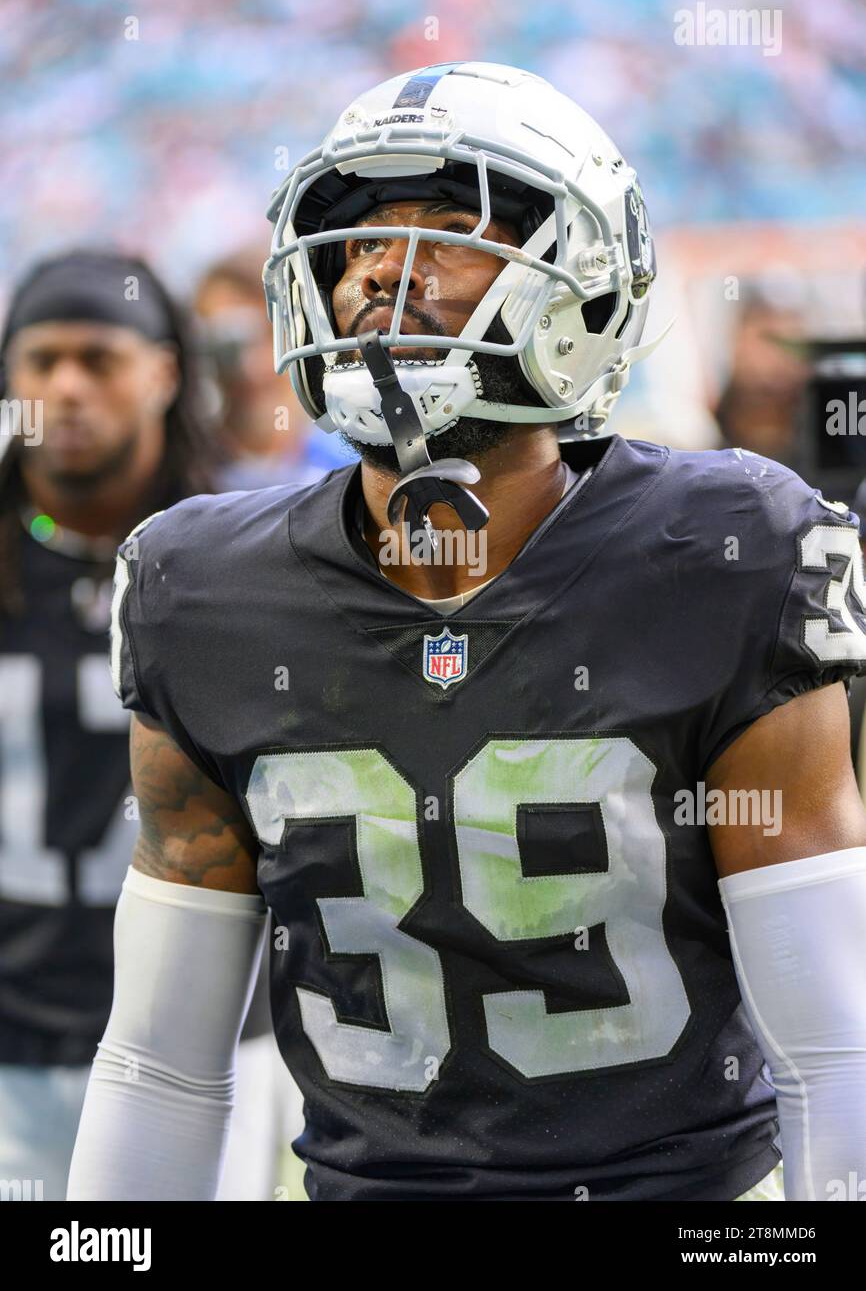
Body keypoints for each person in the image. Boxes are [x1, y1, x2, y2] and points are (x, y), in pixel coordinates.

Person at [69, 64, 866, 1202]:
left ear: (584, 285)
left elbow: (835, 1052)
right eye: (358, 245)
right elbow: (159, 1063)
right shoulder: (203, 592)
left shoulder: (721, 554)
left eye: (446, 231)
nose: (383, 270)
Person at [0, 250, 281, 1201]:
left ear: (164, 373)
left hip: (206, 1044)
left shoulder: (245, 562)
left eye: (97, 359)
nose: (65, 388)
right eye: (40, 362)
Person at [194, 247, 350, 491]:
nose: (250, 366)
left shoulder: (358, 466)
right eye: (226, 344)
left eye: (272, 334)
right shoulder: (177, 477)